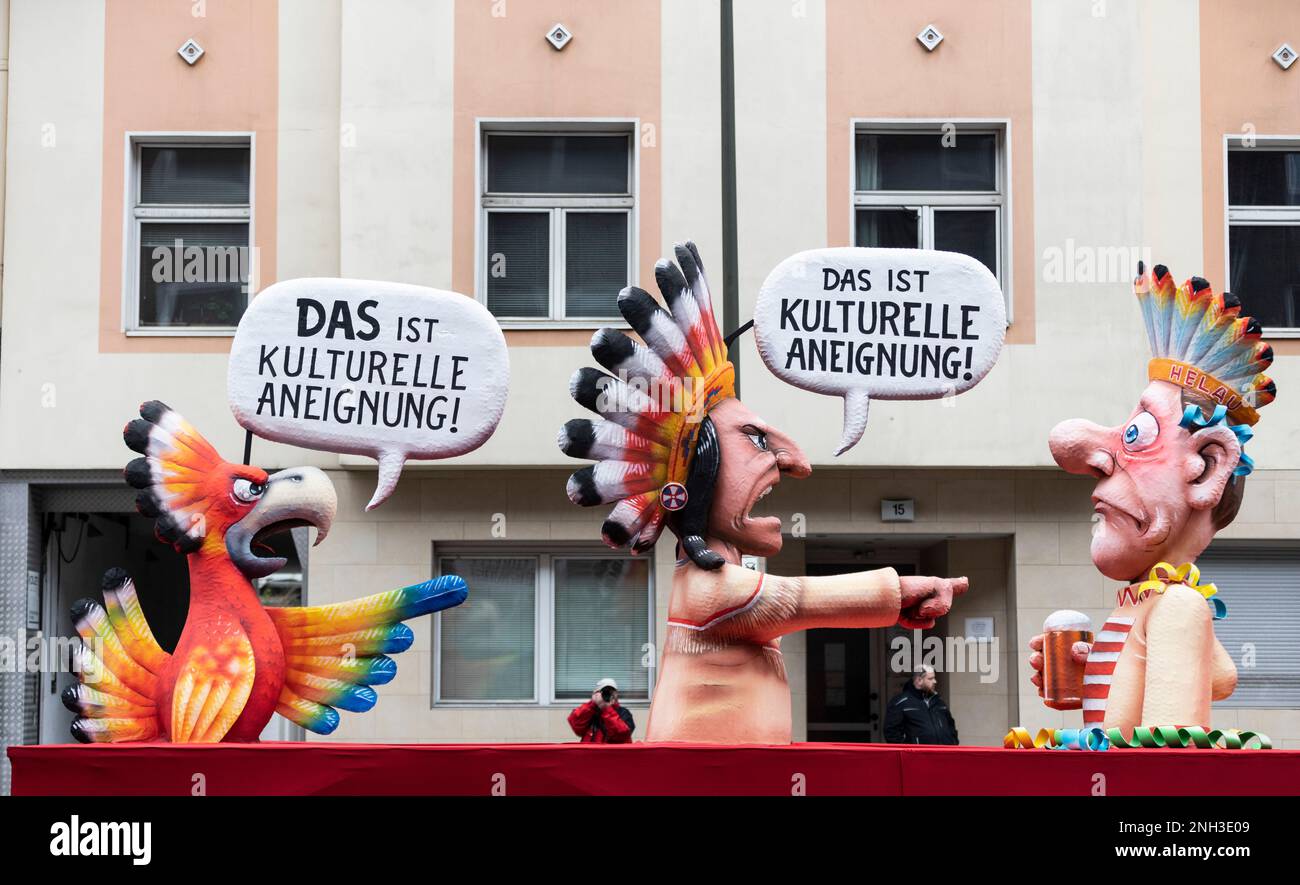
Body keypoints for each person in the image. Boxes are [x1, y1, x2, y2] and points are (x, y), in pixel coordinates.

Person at [1027, 266, 1269, 731]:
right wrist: (1104, 667)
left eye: (1137, 433)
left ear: (1207, 468)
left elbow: (1162, 751)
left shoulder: (1176, 605)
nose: (1086, 453)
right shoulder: (1162, 600)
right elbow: (1220, 678)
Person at [884, 667, 959, 745]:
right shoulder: (900, 703)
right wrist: (908, 752)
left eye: (934, 678)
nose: (935, 681)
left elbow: (951, 726)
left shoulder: (939, 702)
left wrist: (953, 743)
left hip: (944, 754)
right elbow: (891, 733)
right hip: (917, 755)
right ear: (919, 680)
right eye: (930, 679)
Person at [567, 677, 634, 743]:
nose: (607, 695)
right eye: (604, 692)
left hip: (611, 753)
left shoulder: (624, 713)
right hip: (591, 753)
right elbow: (577, 727)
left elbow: (621, 735)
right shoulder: (589, 712)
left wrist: (607, 709)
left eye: (611, 692)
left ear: (616, 695)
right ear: (595, 693)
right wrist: (592, 704)